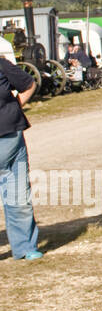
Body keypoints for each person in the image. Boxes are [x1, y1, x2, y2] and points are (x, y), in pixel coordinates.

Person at [0, 55, 41, 260]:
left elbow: (28, 84)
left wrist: (15, 107)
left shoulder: (1, 65)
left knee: (18, 196)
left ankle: (24, 247)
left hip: (10, 138)